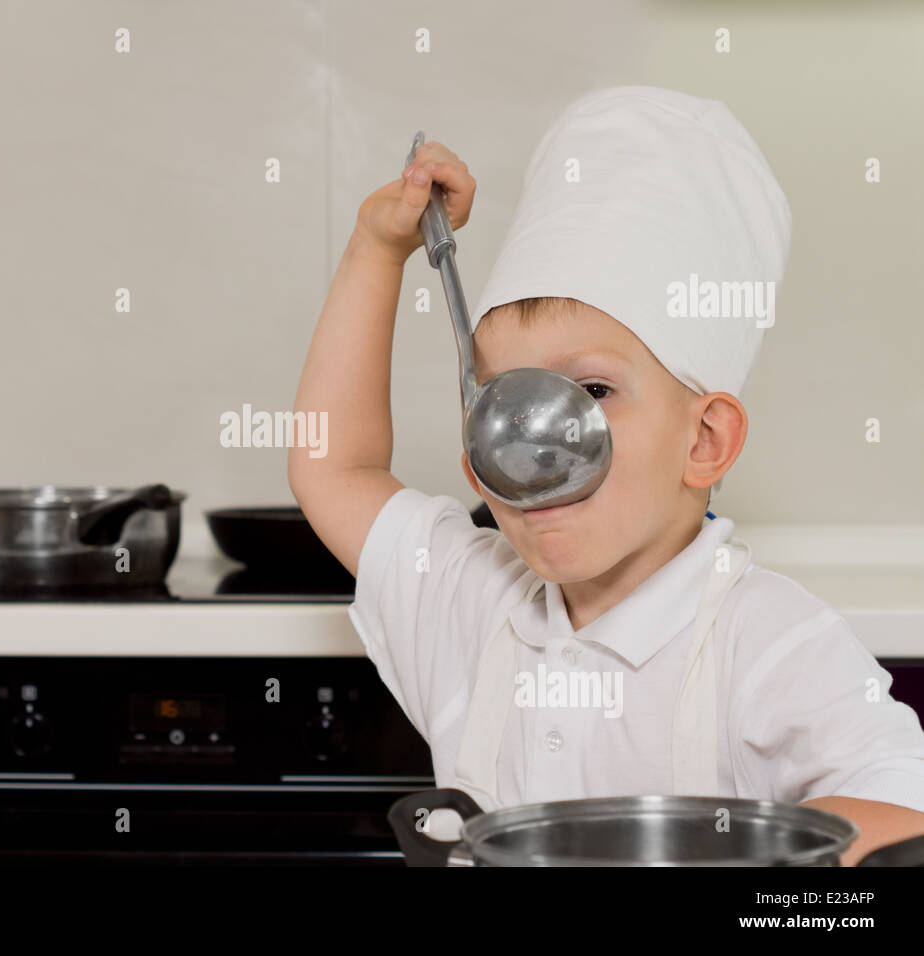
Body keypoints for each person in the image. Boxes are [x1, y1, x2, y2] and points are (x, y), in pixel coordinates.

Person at [288, 86, 924, 864]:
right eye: (505, 403)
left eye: (589, 392)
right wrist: (376, 249)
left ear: (706, 441)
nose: (534, 441)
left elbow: (902, 805)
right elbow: (335, 465)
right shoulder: (469, 601)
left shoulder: (770, 643)